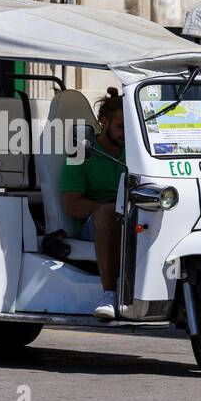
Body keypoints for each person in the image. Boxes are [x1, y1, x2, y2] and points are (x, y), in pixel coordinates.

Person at [60, 88, 126, 319]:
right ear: (103, 122)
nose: (127, 134)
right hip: (95, 226)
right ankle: (109, 293)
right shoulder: (81, 151)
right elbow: (72, 205)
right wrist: (113, 208)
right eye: (121, 127)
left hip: (134, 217)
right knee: (108, 213)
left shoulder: (139, 151)